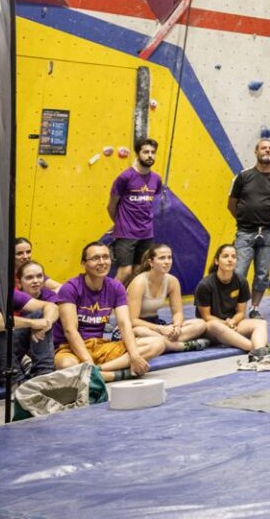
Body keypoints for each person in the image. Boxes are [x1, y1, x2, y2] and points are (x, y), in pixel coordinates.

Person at [53, 241, 162, 378]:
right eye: (95, 258)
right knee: (66, 366)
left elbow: (124, 323)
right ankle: (115, 375)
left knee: (157, 343)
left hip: (100, 346)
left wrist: (134, 356)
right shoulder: (70, 288)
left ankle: (97, 372)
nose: (102, 262)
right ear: (83, 264)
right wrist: (87, 361)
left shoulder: (116, 287)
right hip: (69, 348)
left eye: (105, 257)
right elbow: (70, 331)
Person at [228, 137, 270, 318]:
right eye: (263, 148)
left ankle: (254, 308)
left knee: (262, 274)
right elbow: (232, 204)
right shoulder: (243, 177)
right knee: (239, 273)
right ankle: (234, 309)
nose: (267, 151)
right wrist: (246, 220)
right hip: (245, 233)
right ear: (256, 152)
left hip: (268, 233)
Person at [194, 245, 270, 361]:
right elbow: (206, 316)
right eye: (225, 256)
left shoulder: (241, 281)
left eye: (233, 257)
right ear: (216, 261)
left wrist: (233, 321)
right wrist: (225, 323)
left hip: (232, 325)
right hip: (211, 329)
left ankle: (259, 350)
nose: (230, 259)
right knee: (214, 325)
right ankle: (256, 350)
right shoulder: (205, 285)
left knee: (261, 323)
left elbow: (241, 312)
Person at [125, 244, 210, 352]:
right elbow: (133, 321)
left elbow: (178, 312)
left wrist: (177, 326)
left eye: (169, 257)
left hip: (157, 325)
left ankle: (164, 344)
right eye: (162, 258)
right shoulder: (139, 283)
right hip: (136, 328)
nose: (167, 261)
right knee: (140, 331)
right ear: (151, 262)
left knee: (200, 324)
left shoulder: (172, 281)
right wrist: (160, 329)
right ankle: (180, 346)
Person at [108, 137, 165, 284]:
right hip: (126, 233)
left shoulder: (156, 179)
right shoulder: (125, 177)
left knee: (140, 271)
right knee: (125, 272)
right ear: (138, 154)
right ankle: (107, 302)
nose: (150, 155)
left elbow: (151, 202)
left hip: (146, 233)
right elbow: (111, 205)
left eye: (153, 152)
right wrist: (119, 223)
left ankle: (125, 301)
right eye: (146, 152)